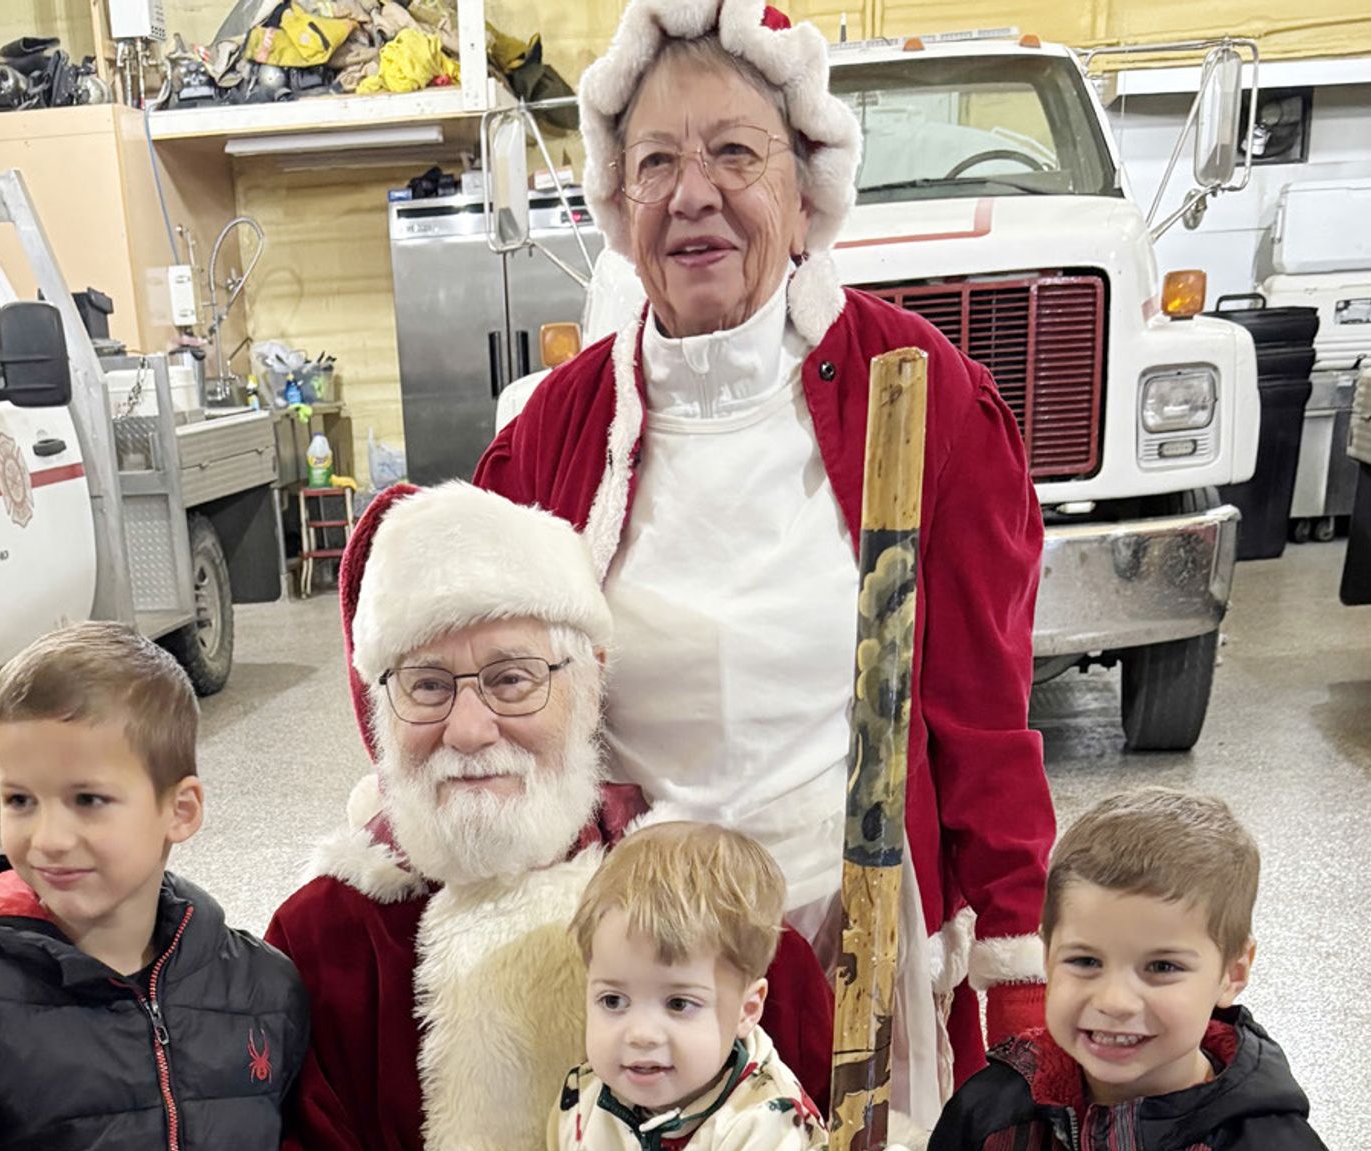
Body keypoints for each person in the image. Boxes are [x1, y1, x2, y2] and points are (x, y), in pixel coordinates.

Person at [473, 0, 1057, 1130]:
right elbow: (474, 678)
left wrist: (1017, 963)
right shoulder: (558, 426)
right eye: (656, 162)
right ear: (619, 202)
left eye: (735, 153)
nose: (693, 193)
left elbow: (984, 706)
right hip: (644, 979)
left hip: (854, 944)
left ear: (804, 193)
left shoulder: (913, 387)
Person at [266, 480, 834, 1151]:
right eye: (427, 685)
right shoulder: (324, 942)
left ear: (588, 684)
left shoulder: (709, 909)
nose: (468, 730)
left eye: (512, 678)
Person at [0, 622, 308, 1150]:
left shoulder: (263, 989)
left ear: (180, 811)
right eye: (20, 800)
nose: (49, 839)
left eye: (87, 800)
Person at [930, 787, 1328, 1150]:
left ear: (1233, 973)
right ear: (1048, 955)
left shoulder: (1273, 1143)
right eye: (1085, 961)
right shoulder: (989, 1111)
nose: (1114, 1001)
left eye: (1162, 966)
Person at [550, 822, 826, 1150]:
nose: (640, 1034)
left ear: (746, 1011)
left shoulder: (768, 1125)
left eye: (678, 1003)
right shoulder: (582, 1099)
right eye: (613, 1001)